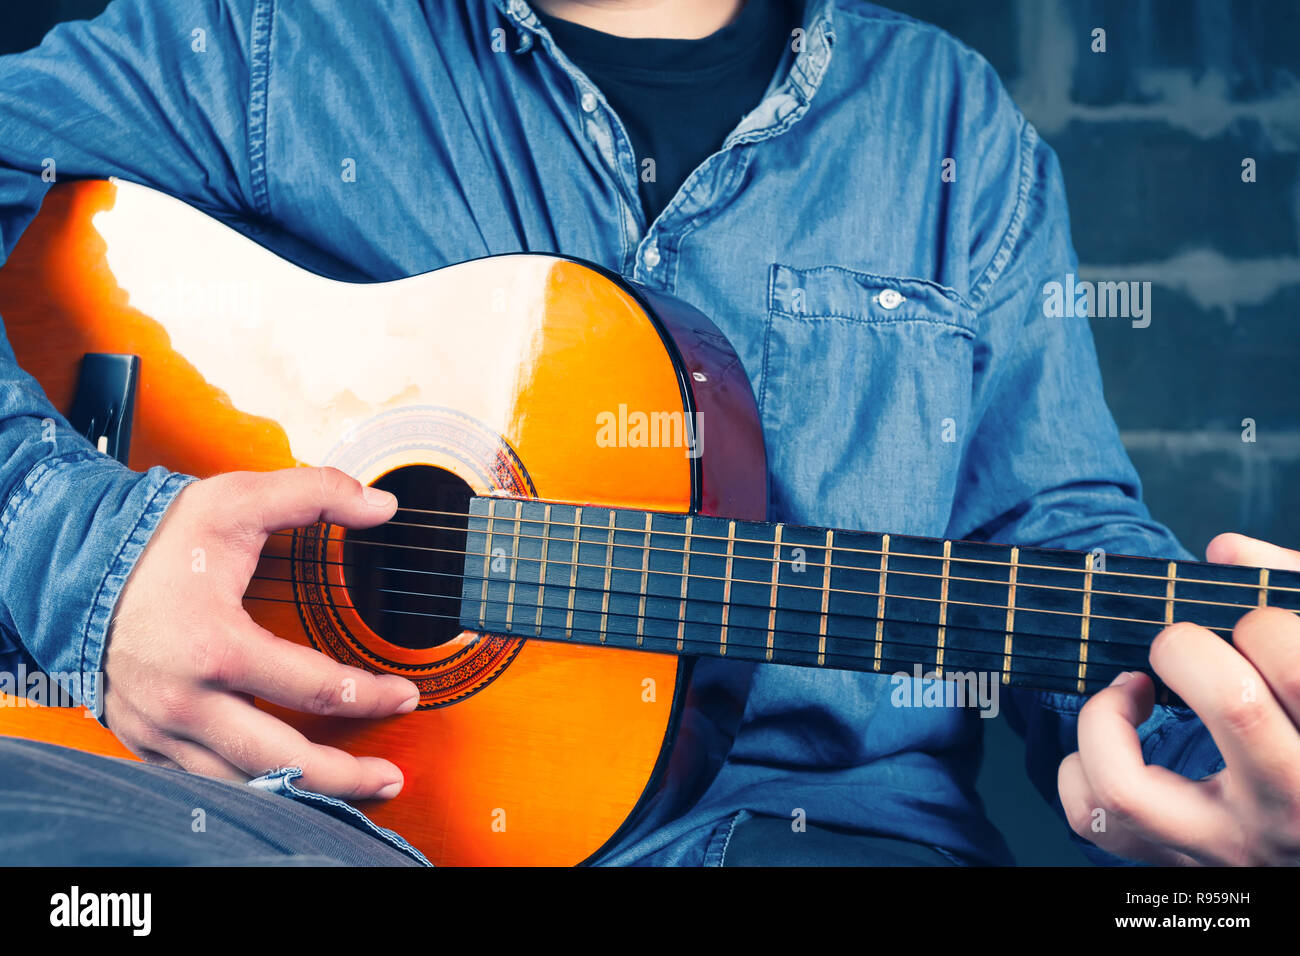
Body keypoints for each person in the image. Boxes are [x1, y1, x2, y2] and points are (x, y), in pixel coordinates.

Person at [0, 0, 1297, 867]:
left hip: (815, 836)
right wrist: (88, 560)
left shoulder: (950, 124)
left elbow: (1057, 541)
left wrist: (1218, 751)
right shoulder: (272, 42)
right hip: (292, 816)